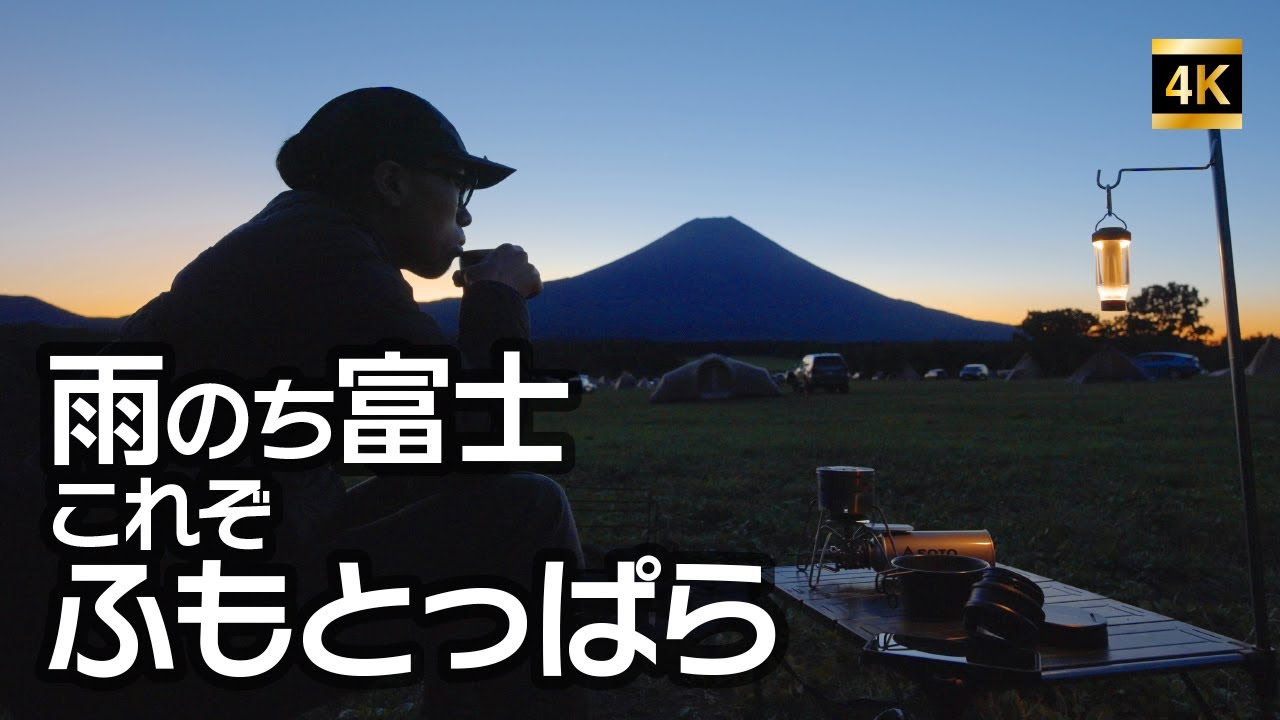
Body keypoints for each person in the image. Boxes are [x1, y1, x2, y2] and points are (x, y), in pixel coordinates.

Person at [43, 87, 585, 719]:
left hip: (156, 592)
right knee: (526, 512)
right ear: (392, 182)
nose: (465, 218)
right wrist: (499, 296)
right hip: (176, 632)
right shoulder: (326, 258)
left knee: (473, 497)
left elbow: (442, 454)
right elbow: (483, 437)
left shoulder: (292, 243)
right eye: (460, 187)